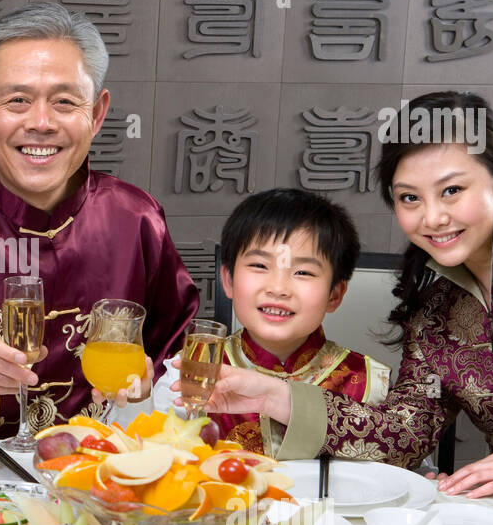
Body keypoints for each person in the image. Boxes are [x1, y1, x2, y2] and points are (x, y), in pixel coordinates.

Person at [207, 91, 493, 505]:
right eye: (410, 197)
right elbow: (404, 436)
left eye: (452, 190)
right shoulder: (435, 312)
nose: (432, 217)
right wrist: (274, 396)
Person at [0, 2, 199, 467]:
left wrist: (148, 388)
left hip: (107, 482)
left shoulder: (137, 219)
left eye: (65, 101)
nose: (41, 122)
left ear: (96, 114)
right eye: (16, 100)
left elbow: (181, 364)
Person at [153, 189, 390, 456]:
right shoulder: (191, 371)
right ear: (228, 281)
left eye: (302, 272)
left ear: (334, 294)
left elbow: (409, 476)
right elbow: (150, 458)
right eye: (260, 266)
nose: (278, 288)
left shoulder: (373, 384)